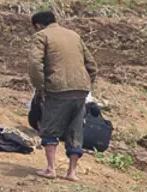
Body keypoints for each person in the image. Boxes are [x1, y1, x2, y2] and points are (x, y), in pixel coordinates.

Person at [27, 11, 97, 181]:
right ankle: (71, 173)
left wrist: (41, 87)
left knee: (50, 128)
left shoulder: (41, 36)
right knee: (75, 129)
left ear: (37, 25)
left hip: (57, 89)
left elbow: (34, 63)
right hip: (81, 89)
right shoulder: (74, 35)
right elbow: (92, 65)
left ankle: (51, 169)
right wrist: (86, 83)